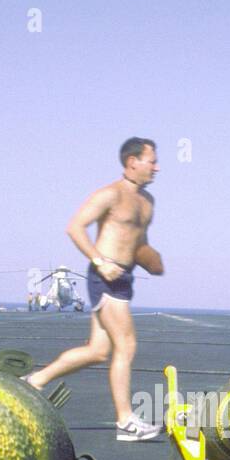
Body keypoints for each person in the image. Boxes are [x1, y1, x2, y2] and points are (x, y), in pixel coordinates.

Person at [26, 137, 163, 441]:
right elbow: (75, 226)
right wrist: (100, 261)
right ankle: (126, 422)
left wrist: (152, 262)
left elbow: (137, 243)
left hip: (124, 278)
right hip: (105, 278)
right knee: (125, 346)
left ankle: (34, 380)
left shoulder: (148, 202)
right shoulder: (110, 194)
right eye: (151, 161)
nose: (157, 167)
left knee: (98, 351)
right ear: (132, 162)